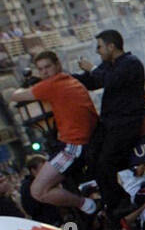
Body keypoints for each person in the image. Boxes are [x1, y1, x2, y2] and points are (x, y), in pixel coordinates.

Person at [9, 51, 99, 215]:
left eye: (48, 67)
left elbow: (15, 96)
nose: (44, 72)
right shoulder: (69, 80)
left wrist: (27, 86)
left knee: (37, 191)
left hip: (74, 145)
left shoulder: (52, 85)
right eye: (41, 69)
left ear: (58, 65)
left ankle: (85, 204)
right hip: (81, 141)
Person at [73, 29, 145, 221]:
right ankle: (108, 201)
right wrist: (66, 79)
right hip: (109, 123)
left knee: (106, 163)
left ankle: (121, 203)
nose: (98, 51)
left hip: (126, 122)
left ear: (111, 46)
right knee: (92, 158)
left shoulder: (131, 64)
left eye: (99, 46)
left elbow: (110, 81)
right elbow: (93, 81)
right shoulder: (109, 65)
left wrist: (92, 69)